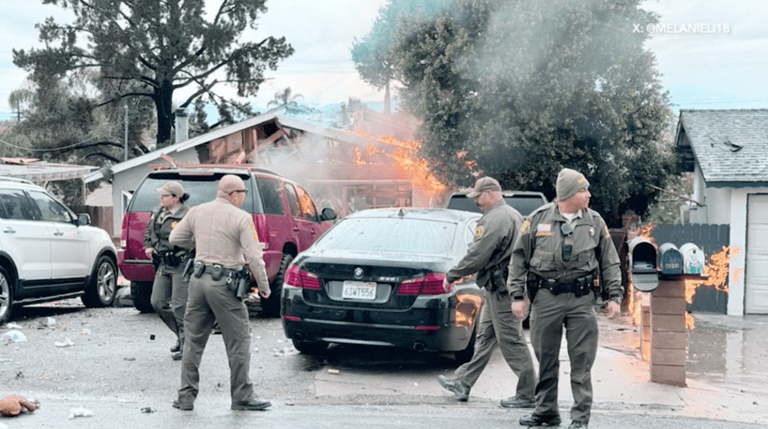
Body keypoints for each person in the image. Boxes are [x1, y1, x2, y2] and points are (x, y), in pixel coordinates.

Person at [508, 168, 623, 429]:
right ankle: (546, 412)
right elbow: (518, 260)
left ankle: (580, 419)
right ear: (568, 194)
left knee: (581, 361)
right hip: (546, 298)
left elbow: (610, 262)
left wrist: (613, 295)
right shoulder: (538, 219)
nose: (588, 194)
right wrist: (517, 295)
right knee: (546, 358)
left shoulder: (595, 222)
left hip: (582, 300)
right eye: (583, 190)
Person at [168, 174, 272, 411]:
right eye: (243, 194)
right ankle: (242, 396)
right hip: (225, 285)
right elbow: (254, 256)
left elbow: (175, 238)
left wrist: (199, 244)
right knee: (238, 341)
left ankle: (185, 397)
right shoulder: (241, 218)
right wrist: (264, 287)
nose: (243, 198)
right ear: (234, 195)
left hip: (197, 280)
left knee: (193, 341)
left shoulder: (197, 212)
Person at [437, 177, 537, 408]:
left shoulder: (496, 218)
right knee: (484, 339)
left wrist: (452, 275)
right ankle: (463, 382)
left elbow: (478, 254)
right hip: (500, 288)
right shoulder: (511, 215)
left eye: (478, 196)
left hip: (504, 290)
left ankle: (529, 394)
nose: (476, 202)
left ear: (490, 193)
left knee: (511, 341)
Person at [143, 181, 191, 361]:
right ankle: (181, 335)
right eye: (161, 195)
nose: (160, 198)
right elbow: (148, 231)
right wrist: (149, 246)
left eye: (165, 195)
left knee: (180, 306)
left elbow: (194, 236)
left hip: (180, 263)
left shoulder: (187, 215)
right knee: (158, 302)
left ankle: (187, 345)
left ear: (176, 197)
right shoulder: (158, 212)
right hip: (163, 263)